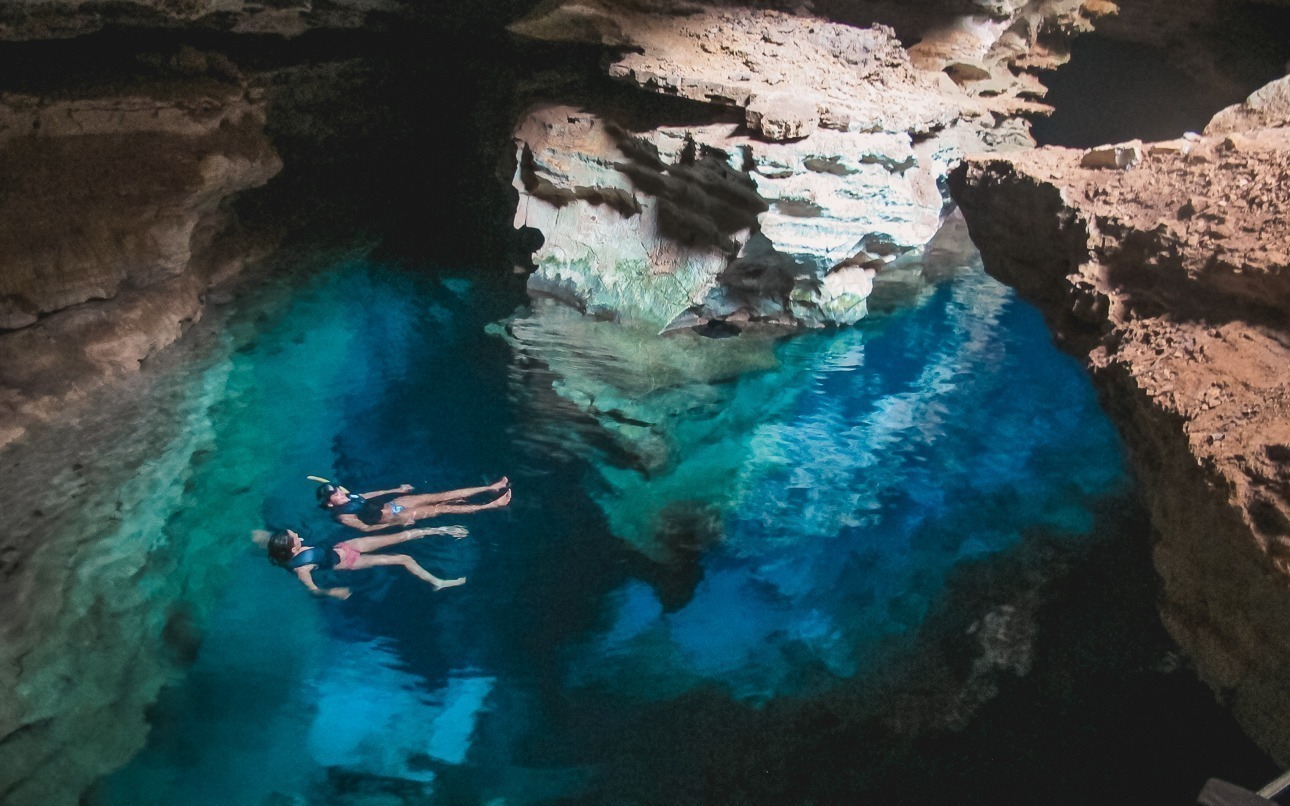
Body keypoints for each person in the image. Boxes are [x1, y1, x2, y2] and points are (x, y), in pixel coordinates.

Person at [265, 526, 469, 599]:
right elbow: (312, 591)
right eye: (296, 538)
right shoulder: (302, 569)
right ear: (292, 550)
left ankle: (441, 530)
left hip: (345, 546)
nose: (300, 537)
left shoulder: (289, 551)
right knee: (403, 559)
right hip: (351, 561)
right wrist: (333, 593)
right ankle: (437, 582)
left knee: (402, 536)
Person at [315, 477, 511, 532]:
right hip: (396, 516)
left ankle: (490, 489)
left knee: (442, 496)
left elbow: (370, 495)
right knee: (442, 507)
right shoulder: (343, 516)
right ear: (329, 503)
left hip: (395, 504)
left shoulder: (352, 497)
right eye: (333, 493)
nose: (338, 492)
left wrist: (396, 490)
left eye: (337, 489)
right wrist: (398, 524)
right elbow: (366, 527)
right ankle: (491, 506)